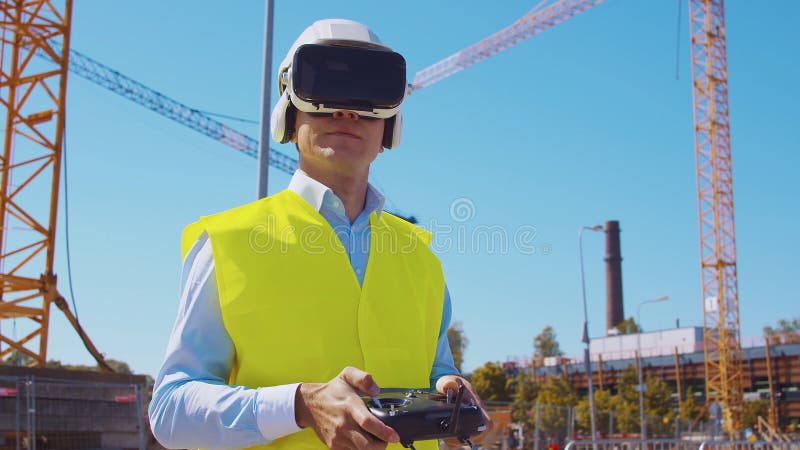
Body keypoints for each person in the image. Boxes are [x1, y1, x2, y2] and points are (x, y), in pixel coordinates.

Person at [148, 18, 492, 450]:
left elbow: (437, 371)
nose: (346, 112)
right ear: (289, 115)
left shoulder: (421, 259)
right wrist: (298, 405)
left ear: (389, 126)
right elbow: (170, 412)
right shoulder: (228, 243)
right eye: (324, 90)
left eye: (367, 96)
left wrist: (448, 390)